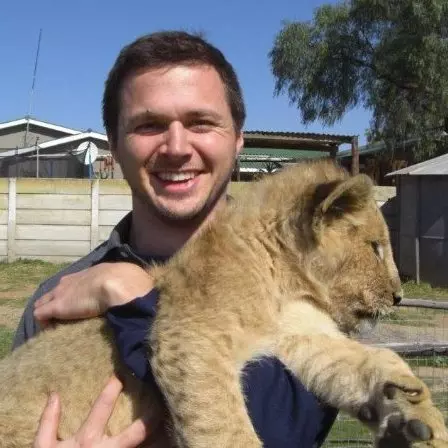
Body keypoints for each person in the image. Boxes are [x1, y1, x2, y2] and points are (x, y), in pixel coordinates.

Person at [13, 31, 338, 447]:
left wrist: (136, 299)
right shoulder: (58, 298)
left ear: (238, 138)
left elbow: (285, 431)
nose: (177, 147)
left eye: (201, 122)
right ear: (113, 144)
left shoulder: (298, 287)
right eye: (149, 125)